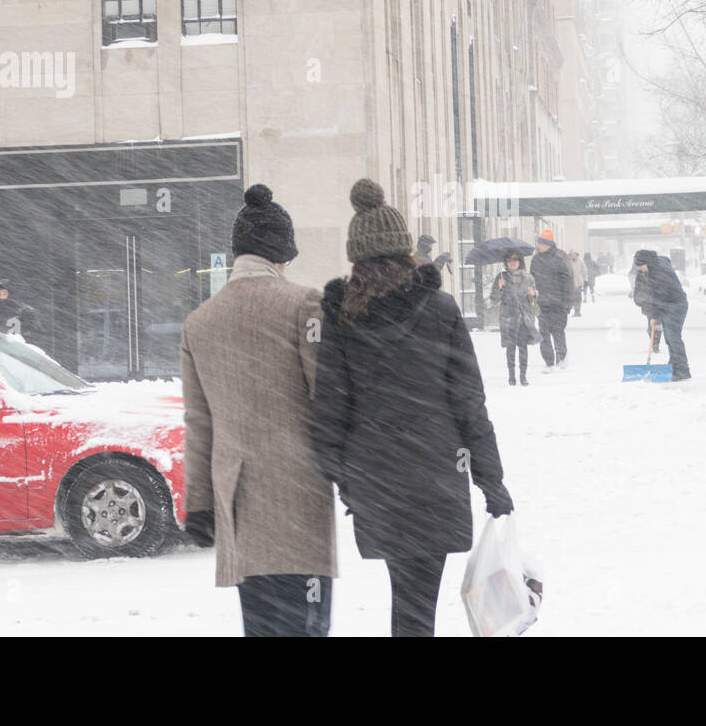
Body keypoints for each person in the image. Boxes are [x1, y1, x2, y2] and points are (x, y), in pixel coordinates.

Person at [313, 178, 513, 637]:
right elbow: (469, 402)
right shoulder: (440, 310)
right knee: (418, 600)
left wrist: (345, 481)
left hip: (376, 479)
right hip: (433, 473)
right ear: (406, 251)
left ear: (357, 259)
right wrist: (492, 480)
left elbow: (330, 408)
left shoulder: (343, 317)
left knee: (408, 596)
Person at [180, 183, 336, 637]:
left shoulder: (200, 322)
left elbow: (198, 423)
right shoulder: (304, 304)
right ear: (281, 254)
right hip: (298, 496)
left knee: (263, 628)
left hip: (239, 503)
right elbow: (326, 398)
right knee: (307, 626)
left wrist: (200, 505)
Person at [633, 249, 691, 381]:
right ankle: (675, 364)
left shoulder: (658, 273)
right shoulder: (658, 263)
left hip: (675, 305)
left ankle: (682, 370)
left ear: (646, 262)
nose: (641, 270)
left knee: (673, 338)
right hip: (672, 304)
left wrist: (655, 316)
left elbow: (660, 297)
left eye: (641, 267)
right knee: (671, 338)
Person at [489, 249, 539, 386]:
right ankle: (511, 376)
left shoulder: (528, 278)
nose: (512, 263)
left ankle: (523, 376)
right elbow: (493, 300)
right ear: (505, 262)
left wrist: (533, 293)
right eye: (509, 260)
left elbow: (534, 300)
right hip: (509, 318)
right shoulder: (501, 278)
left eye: (515, 259)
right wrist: (499, 288)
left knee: (523, 347)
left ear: (520, 261)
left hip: (524, 318)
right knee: (510, 348)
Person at [529, 228, 574, 372]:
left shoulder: (559, 259)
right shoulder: (535, 260)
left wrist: (567, 304)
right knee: (544, 334)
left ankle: (561, 358)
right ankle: (549, 362)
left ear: (548, 244)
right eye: (538, 243)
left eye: (541, 243)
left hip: (558, 304)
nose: (538, 246)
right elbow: (532, 280)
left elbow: (567, 282)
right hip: (542, 303)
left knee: (558, 331)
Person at [631, 264, 661, 353]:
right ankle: (654, 342)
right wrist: (637, 299)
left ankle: (656, 343)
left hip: (658, 302)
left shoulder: (656, 272)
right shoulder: (640, 274)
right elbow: (637, 288)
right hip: (646, 302)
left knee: (657, 324)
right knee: (650, 324)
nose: (639, 268)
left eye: (641, 266)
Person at [568, 251, 587, 317]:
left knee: (578, 297)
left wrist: (585, 280)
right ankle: (575, 309)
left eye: (574, 254)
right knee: (572, 297)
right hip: (570, 282)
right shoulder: (568, 262)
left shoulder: (581, 261)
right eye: (572, 254)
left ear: (576, 255)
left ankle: (577, 311)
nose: (573, 256)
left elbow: (584, 271)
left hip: (579, 282)